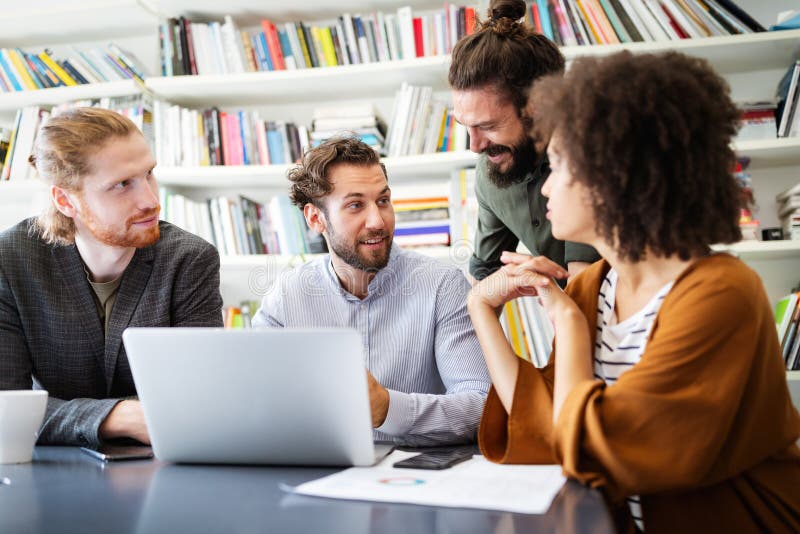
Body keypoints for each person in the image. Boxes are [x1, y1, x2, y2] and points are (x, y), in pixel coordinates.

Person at [468, 51, 800, 532]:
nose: (544, 189)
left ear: (614, 174)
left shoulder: (723, 293)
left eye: (558, 165)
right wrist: (481, 306)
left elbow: (599, 448)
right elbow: (544, 425)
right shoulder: (589, 288)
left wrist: (567, 324)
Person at [0, 107, 223, 448]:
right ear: (65, 200)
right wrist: (119, 416)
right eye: (122, 185)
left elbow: (199, 403)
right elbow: (7, 409)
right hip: (44, 474)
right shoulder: (11, 260)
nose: (150, 200)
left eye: (149, 173)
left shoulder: (190, 260)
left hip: (161, 471)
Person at [252, 137, 490, 446]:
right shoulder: (286, 298)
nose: (378, 221)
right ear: (315, 218)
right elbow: (254, 402)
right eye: (355, 205)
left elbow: (481, 405)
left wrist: (388, 409)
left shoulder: (442, 286)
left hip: (416, 476)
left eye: (383, 200)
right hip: (320, 472)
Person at [449, 0, 599, 282]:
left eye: (488, 126)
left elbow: (586, 292)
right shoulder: (492, 169)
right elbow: (484, 277)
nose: (475, 146)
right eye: (466, 126)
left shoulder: (589, 150)